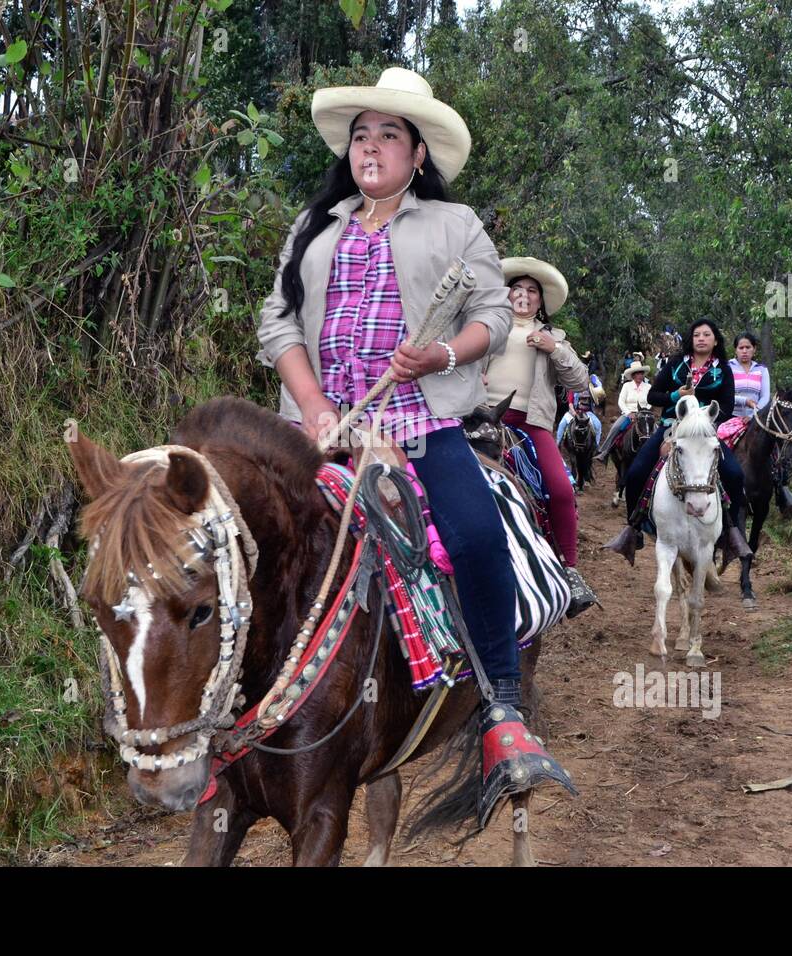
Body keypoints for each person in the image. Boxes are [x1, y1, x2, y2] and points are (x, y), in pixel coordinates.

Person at [254, 66, 572, 814]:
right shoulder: (315, 227)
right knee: (235, 536)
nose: (370, 147)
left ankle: (501, 709)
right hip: (317, 428)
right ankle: (217, 713)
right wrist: (315, 407)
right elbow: (278, 323)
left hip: (421, 426)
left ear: (418, 154)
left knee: (474, 535)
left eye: (387, 135)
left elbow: (493, 317)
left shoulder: (455, 227)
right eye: (361, 135)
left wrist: (441, 356)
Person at [482, 256, 595, 614]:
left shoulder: (555, 337)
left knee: (561, 489)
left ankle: (571, 571)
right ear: (507, 293)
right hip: (480, 417)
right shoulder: (485, 326)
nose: (524, 295)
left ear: (540, 301)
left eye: (532, 291)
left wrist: (554, 349)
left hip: (531, 422)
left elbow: (579, 381)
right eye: (518, 289)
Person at [605, 318, 753, 564]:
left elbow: (726, 406)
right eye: (696, 335)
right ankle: (634, 528)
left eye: (706, 334)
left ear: (715, 340)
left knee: (735, 475)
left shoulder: (723, 369)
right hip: (670, 428)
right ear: (690, 339)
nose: (701, 339)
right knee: (636, 473)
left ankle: (730, 533)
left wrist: (701, 415)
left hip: (704, 432)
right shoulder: (676, 364)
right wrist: (676, 395)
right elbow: (654, 395)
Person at [723, 331, 792, 516]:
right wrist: (745, 402)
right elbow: (726, 393)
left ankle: (782, 490)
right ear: (735, 350)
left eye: (748, 347)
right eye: (741, 348)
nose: (744, 351)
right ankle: (720, 486)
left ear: (754, 349)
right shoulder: (728, 368)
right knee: (720, 445)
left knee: (775, 451)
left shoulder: (761, 370)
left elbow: (765, 396)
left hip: (757, 420)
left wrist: (756, 414)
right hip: (732, 416)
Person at [594, 360, 650, 462]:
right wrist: (629, 413)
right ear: (633, 375)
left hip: (644, 414)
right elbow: (621, 401)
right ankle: (605, 451)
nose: (640, 376)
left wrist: (645, 411)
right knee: (616, 427)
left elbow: (650, 401)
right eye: (637, 373)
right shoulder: (626, 386)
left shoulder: (648, 387)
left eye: (641, 373)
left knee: (654, 429)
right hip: (628, 414)